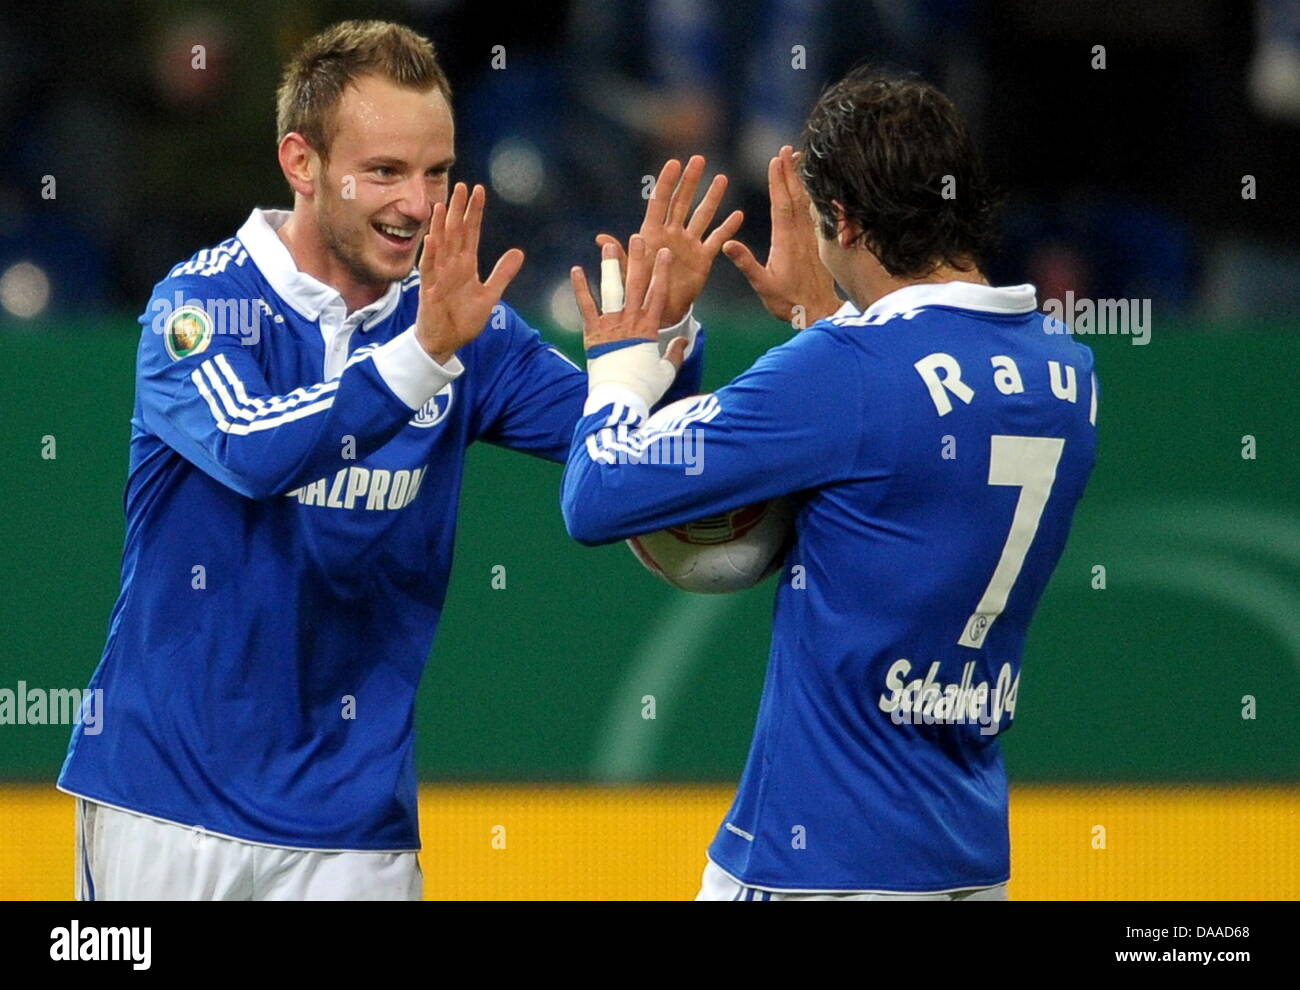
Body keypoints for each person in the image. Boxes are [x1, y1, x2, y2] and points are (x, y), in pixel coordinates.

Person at [57, 19, 740, 901]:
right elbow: (257, 448)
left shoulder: (466, 327)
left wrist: (666, 339)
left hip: (355, 837)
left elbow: (630, 460)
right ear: (301, 163)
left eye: (438, 173)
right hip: (164, 808)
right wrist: (422, 353)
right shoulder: (201, 305)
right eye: (384, 171)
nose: (418, 205)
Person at [561, 66, 1098, 900]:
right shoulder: (1068, 374)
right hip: (967, 860)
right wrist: (829, 319)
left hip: (814, 862)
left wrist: (628, 365)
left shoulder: (845, 375)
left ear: (843, 219)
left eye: (816, 220)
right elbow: (908, 463)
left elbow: (597, 491)